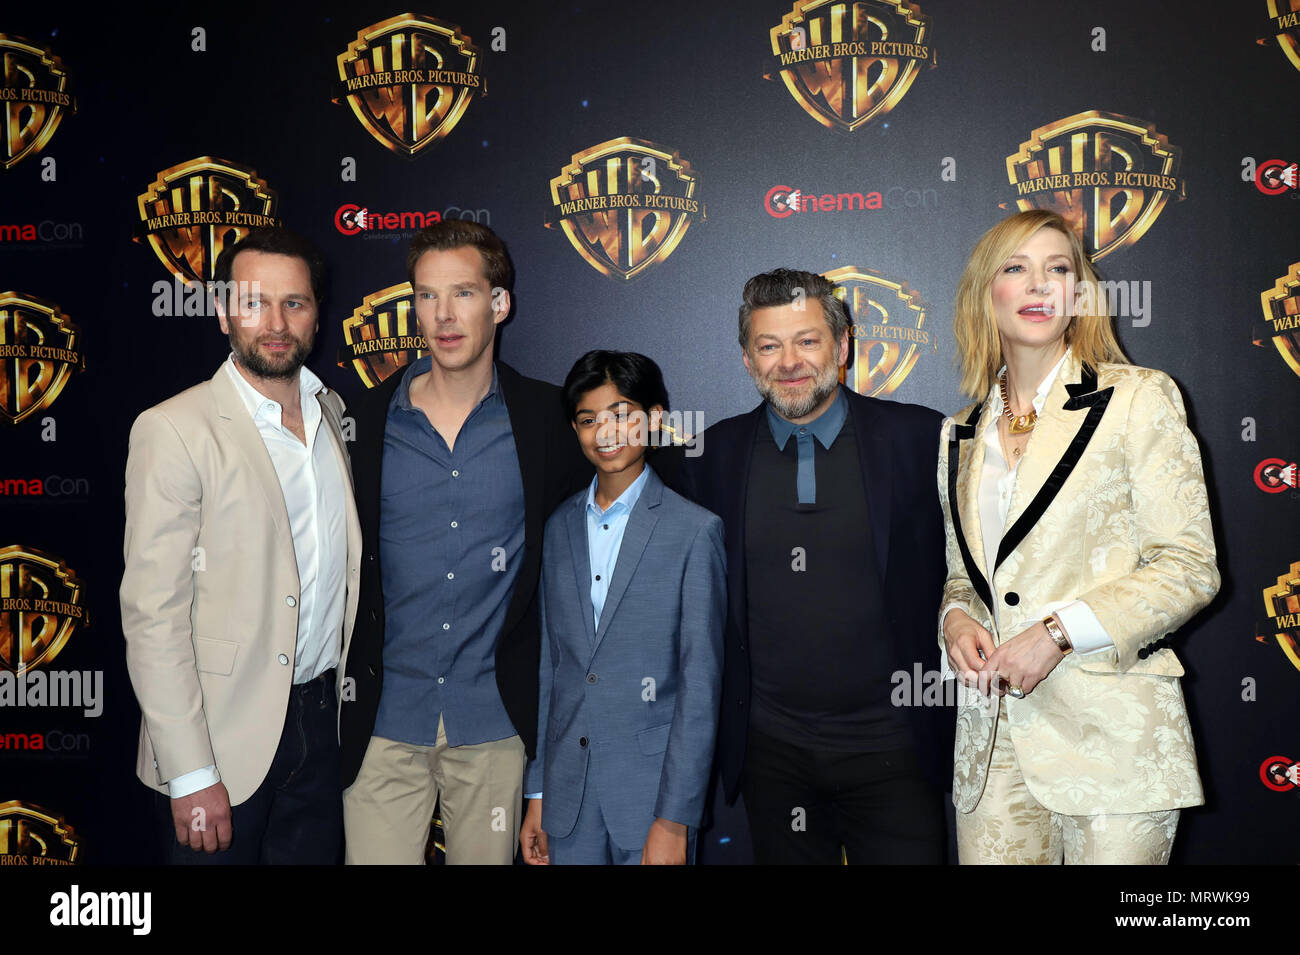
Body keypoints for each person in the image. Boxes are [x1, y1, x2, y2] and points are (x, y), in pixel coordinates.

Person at [939, 209, 1220, 864]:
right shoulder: (959, 433)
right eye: (1016, 268)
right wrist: (955, 621)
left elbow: (1189, 566)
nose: (1039, 284)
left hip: (1113, 739)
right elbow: (965, 577)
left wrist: (1058, 632)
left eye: (1058, 268)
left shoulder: (1138, 399)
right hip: (992, 746)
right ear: (988, 292)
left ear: (1079, 293)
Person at [677, 268, 949, 864]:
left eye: (807, 340)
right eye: (768, 346)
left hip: (896, 749)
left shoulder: (922, 439)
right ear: (747, 359)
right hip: (775, 756)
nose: (789, 361)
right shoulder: (710, 456)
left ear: (843, 345)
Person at [340, 221, 590, 864]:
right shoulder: (360, 423)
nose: (443, 316)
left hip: (496, 724)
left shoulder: (549, 422)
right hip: (382, 721)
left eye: (464, 293)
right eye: (426, 295)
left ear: (499, 303)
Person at [121, 228, 361, 864]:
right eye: (255, 303)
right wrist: (191, 772)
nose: (276, 323)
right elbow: (154, 615)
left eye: (295, 303)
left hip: (320, 725)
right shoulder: (174, 428)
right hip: (217, 738)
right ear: (226, 311)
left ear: (316, 314)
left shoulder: (330, 413)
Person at [519, 351, 725, 865]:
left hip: (652, 799)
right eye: (588, 420)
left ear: (654, 420)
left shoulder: (694, 531)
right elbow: (552, 669)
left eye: (621, 414)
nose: (604, 432)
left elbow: (700, 685)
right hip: (567, 798)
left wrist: (675, 819)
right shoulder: (557, 527)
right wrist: (538, 795)